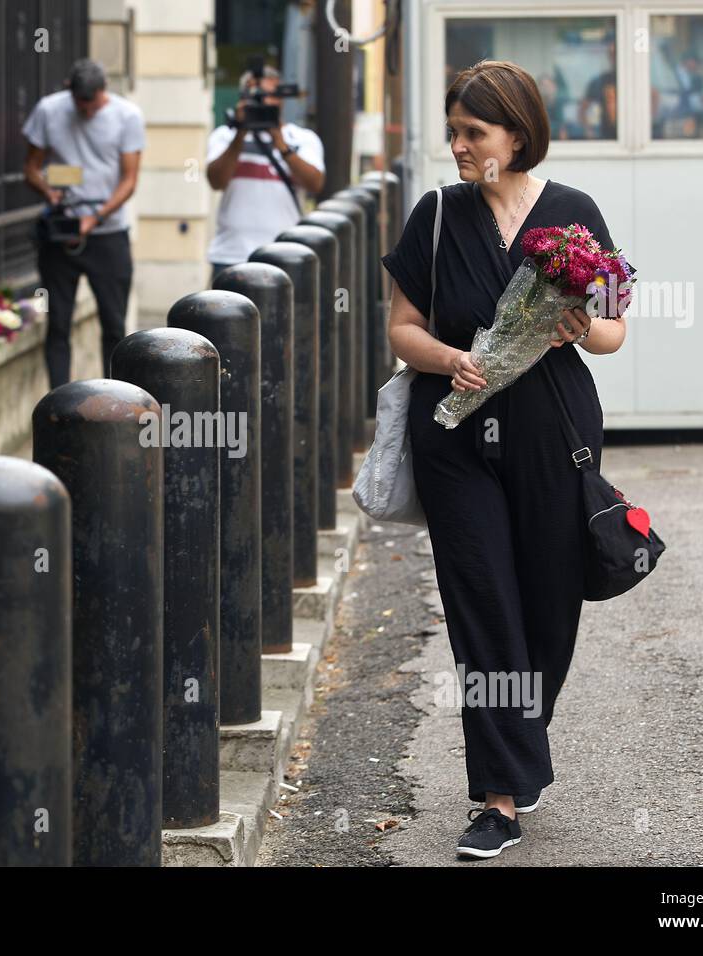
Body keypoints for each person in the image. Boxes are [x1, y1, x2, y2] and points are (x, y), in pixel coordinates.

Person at [380, 60, 628, 860]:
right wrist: (449, 357)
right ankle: (497, 799)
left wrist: (578, 327)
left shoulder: (574, 215)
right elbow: (401, 328)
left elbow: (617, 326)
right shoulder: (438, 217)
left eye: (471, 132)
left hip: (553, 435)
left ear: (516, 136)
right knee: (484, 606)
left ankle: (517, 742)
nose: (455, 145)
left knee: (551, 609)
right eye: (452, 131)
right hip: (454, 438)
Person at [23, 58, 144, 389]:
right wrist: (48, 192)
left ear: (104, 92)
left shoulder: (127, 116)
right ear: (70, 93)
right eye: (80, 104)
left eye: (92, 104)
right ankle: (58, 403)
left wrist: (98, 216)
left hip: (108, 234)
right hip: (61, 232)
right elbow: (31, 167)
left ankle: (117, 400)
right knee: (58, 323)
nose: (87, 111)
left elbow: (130, 179)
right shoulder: (49, 110)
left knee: (114, 324)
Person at [205, 65, 325, 284]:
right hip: (232, 255)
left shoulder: (301, 138)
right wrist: (240, 133)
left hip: (283, 255)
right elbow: (216, 181)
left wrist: (282, 144)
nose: (264, 102)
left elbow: (315, 183)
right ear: (242, 98)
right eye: (256, 96)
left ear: (281, 99)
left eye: (270, 95)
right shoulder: (224, 136)